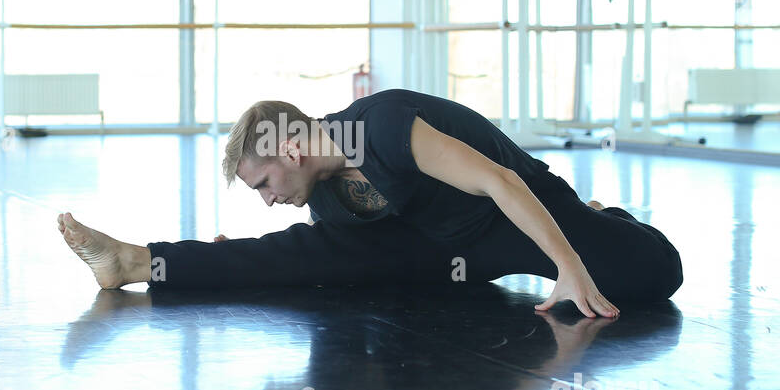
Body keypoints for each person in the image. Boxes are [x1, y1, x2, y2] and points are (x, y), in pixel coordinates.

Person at [57, 88, 683, 318]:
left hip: (510, 218)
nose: (270, 200)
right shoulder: (324, 198)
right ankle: (134, 262)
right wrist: (229, 260)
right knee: (293, 259)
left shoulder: (383, 127)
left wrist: (571, 265)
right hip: (438, 248)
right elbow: (296, 254)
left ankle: (604, 219)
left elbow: (501, 183)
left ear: (291, 151)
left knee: (655, 276)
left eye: (265, 184)